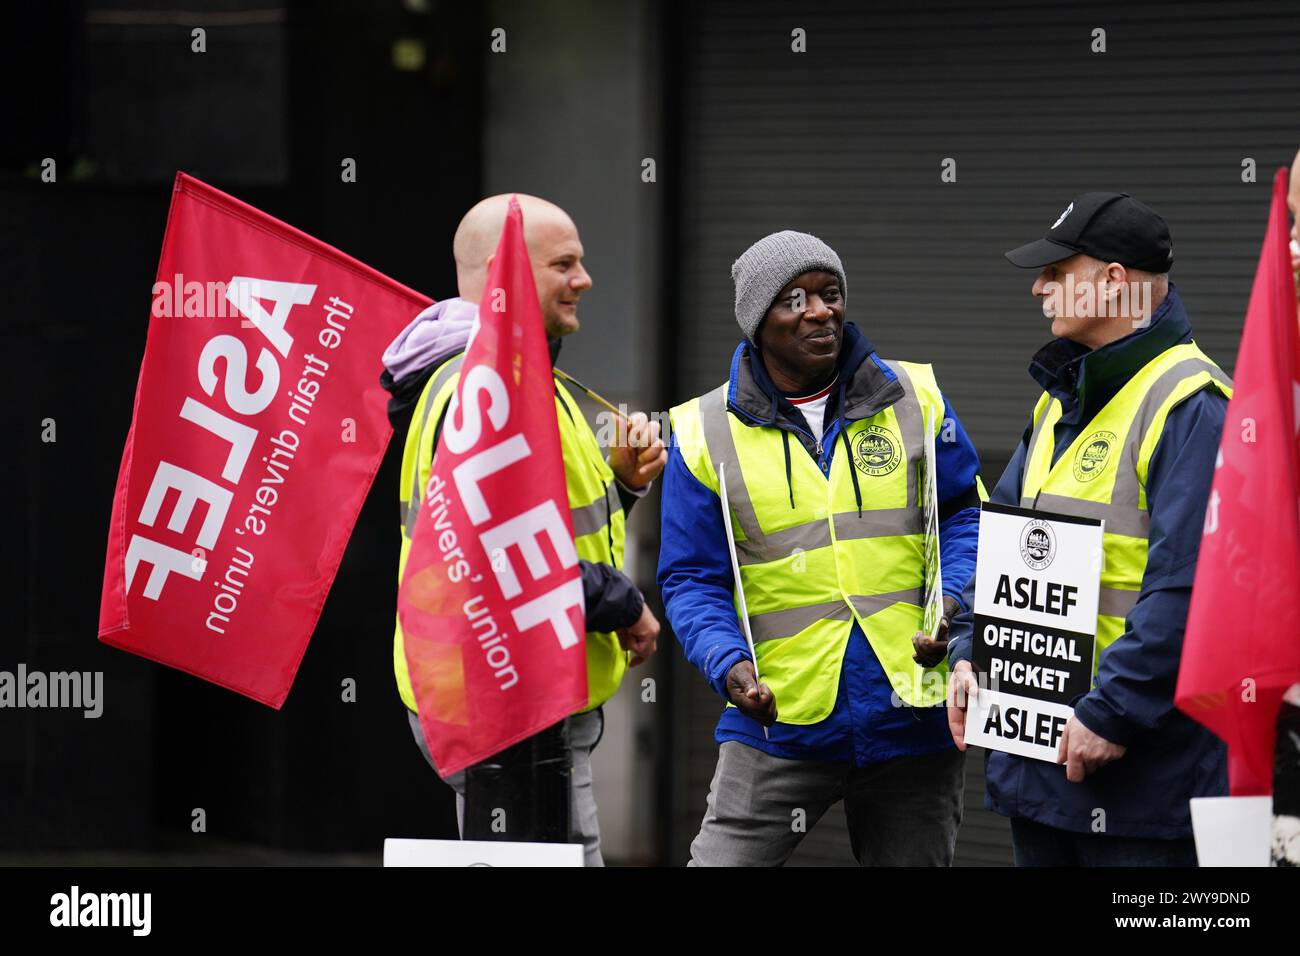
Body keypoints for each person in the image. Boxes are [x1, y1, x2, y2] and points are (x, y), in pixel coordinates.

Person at [658, 230, 983, 866]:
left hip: (911, 716)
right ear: (758, 321)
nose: (819, 311)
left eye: (829, 294)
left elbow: (965, 516)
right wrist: (728, 664)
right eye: (794, 300)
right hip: (780, 720)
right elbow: (691, 577)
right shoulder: (702, 431)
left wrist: (954, 599)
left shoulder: (915, 396)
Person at [946, 192, 1232, 866]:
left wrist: (1115, 712)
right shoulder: (1061, 399)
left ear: (1111, 281)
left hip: (1140, 787)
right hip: (1039, 776)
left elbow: (1191, 588)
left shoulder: (1193, 405)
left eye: (1056, 272)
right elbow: (1004, 543)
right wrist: (968, 649)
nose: (1040, 289)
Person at [380, 194, 666, 866]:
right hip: (510, 697)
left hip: (515, 688)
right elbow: (493, 561)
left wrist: (623, 484)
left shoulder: (511, 377)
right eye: (564, 263)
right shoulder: (487, 388)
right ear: (500, 270)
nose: (585, 279)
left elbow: (535, 535)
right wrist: (622, 601)